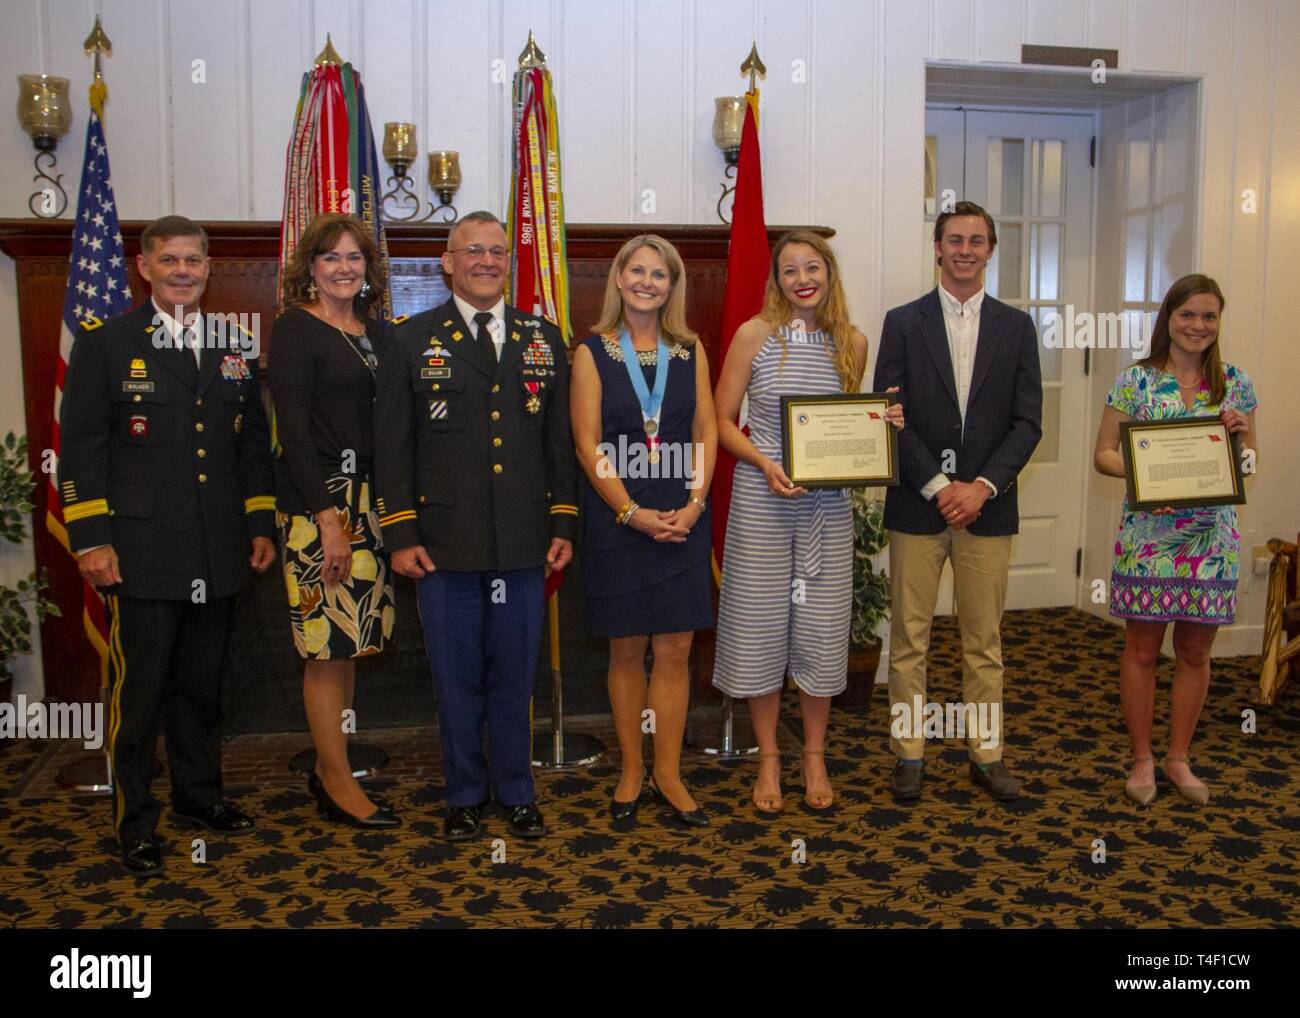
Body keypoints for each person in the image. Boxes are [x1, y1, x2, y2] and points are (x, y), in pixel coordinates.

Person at [58, 215, 277, 875]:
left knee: (202, 688)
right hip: (142, 551)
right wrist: (91, 538)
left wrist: (259, 521)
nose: (183, 271)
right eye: (170, 260)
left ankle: (198, 798)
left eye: (194, 261)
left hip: (217, 547)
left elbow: (249, 446)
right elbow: (82, 451)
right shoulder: (105, 345)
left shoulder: (231, 344)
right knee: (141, 694)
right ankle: (134, 821)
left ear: (208, 269)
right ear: (145, 269)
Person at [374, 211, 577, 842]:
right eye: (472, 251)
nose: (486, 261)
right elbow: (392, 449)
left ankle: (516, 791)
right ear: (447, 262)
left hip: (521, 543)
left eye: (496, 251)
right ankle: (463, 793)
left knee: (515, 677)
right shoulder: (409, 341)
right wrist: (402, 534)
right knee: (456, 678)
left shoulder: (543, 338)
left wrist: (563, 520)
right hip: (443, 547)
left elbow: (558, 442)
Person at [713, 230, 902, 815]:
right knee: (761, 626)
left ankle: (813, 754)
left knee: (820, 631)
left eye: (812, 267)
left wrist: (881, 424)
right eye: (790, 270)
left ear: (829, 273)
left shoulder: (853, 342)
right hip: (761, 498)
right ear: (777, 279)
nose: (803, 279)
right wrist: (765, 463)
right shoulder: (754, 335)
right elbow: (719, 420)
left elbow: (843, 427)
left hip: (826, 505)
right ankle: (770, 757)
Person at [872, 201, 1042, 804]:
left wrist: (980, 487)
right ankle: (909, 753)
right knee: (910, 639)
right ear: (937, 249)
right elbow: (889, 415)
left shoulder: (1017, 328)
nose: (965, 249)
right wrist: (940, 488)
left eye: (977, 240)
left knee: (984, 642)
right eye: (954, 240)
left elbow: (1028, 423)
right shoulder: (902, 321)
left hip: (989, 508)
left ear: (991, 250)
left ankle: (987, 754)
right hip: (920, 507)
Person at [1092, 274, 1258, 807]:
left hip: (1212, 542)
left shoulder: (1235, 384)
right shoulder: (1135, 381)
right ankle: (1143, 759)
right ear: (1170, 318)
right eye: (1188, 315)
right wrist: (1142, 478)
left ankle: (1178, 757)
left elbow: (1250, 464)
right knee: (1142, 650)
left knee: (1195, 651)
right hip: (1149, 538)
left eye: (1210, 316)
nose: (1199, 326)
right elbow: (1104, 454)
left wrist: (1238, 439)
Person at [570, 235, 717, 828]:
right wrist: (629, 511)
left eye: (660, 274)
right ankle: (632, 771)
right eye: (638, 270)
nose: (648, 282)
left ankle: (669, 773)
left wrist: (696, 501)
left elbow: (706, 429)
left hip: (682, 518)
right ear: (619, 278)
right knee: (627, 651)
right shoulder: (593, 351)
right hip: (620, 518)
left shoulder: (690, 349)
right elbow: (587, 445)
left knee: (676, 652)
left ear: (671, 286)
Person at [268, 213, 398, 828]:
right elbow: (291, 431)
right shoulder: (297, 329)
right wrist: (326, 517)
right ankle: (340, 782)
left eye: (354, 258)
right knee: (323, 646)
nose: (344, 268)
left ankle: (333, 770)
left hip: (370, 502)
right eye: (331, 258)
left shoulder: (375, 334)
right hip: (320, 504)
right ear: (311, 269)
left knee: (350, 641)